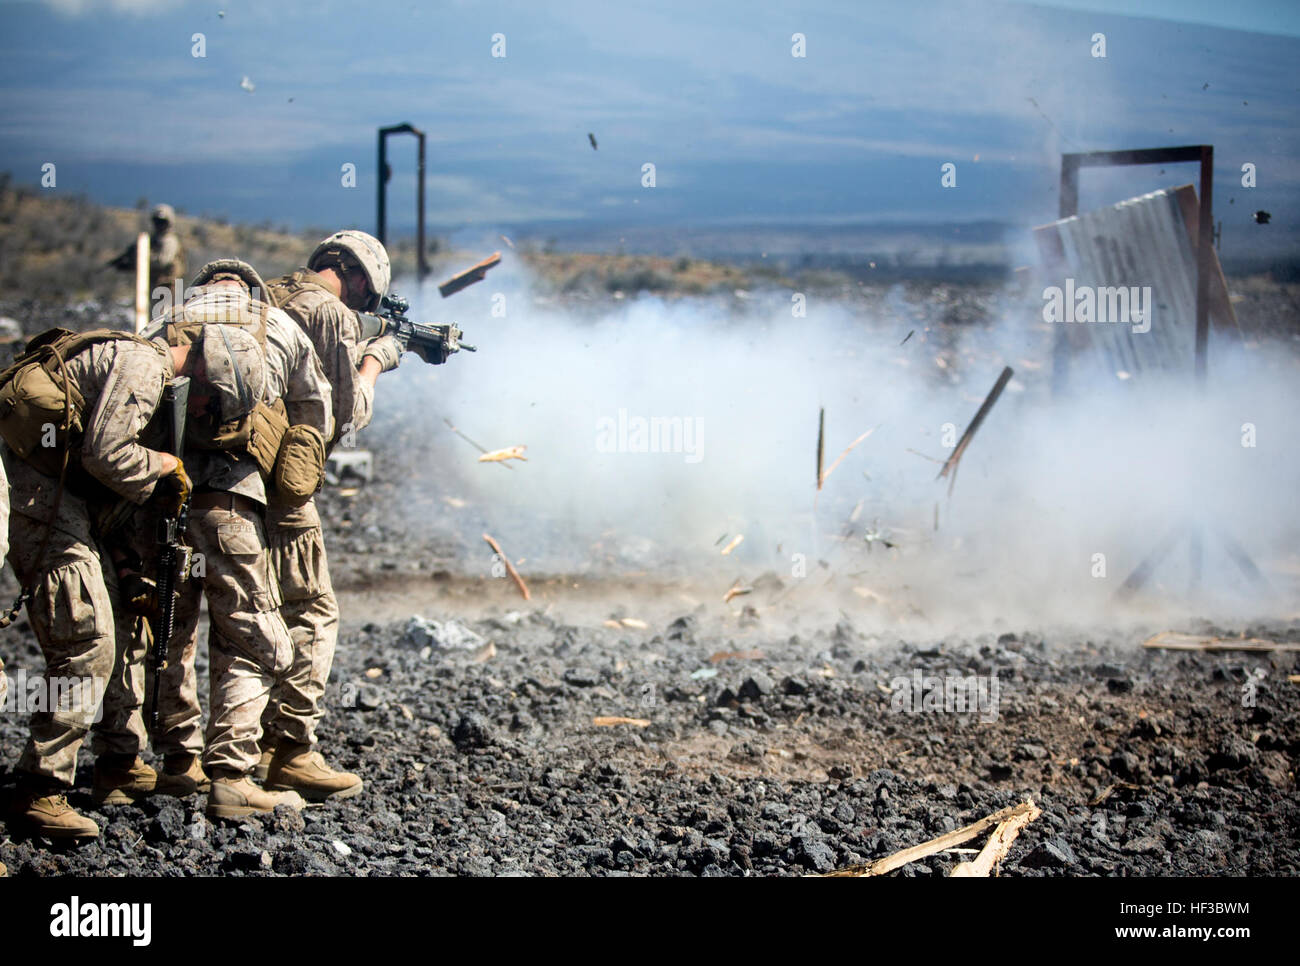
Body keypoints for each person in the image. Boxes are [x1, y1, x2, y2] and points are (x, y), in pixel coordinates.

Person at [0, 322, 256, 838]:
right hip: (32, 490)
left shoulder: (154, 383)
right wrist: (161, 464)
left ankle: (118, 763)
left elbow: (96, 480)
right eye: (214, 405)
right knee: (87, 637)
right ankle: (40, 786)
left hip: (59, 496)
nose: (207, 416)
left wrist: (124, 563)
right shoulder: (144, 367)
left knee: (122, 619)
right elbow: (105, 454)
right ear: (209, 376)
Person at [100, 259, 331, 820]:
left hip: (159, 495)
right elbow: (316, 415)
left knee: (163, 630)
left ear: (201, 288)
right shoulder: (277, 323)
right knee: (246, 633)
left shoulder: (162, 321)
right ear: (250, 289)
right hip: (234, 500)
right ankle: (232, 774)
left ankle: (173, 762)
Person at [260, 230, 401, 801]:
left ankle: (186, 757)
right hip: (281, 483)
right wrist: (376, 358)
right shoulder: (332, 316)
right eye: (367, 300)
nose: (364, 310)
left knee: (232, 614)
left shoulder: (266, 295)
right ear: (361, 279)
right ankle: (289, 749)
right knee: (313, 610)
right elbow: (347, 414)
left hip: (224, 475)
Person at [108, 203, 186, 294]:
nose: (159, 225)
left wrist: (139, 258)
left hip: (166, 288)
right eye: (157, 221)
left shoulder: (169, 240)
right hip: (154, 286)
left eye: (162, 222)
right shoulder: (154, 239)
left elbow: (162, 261)